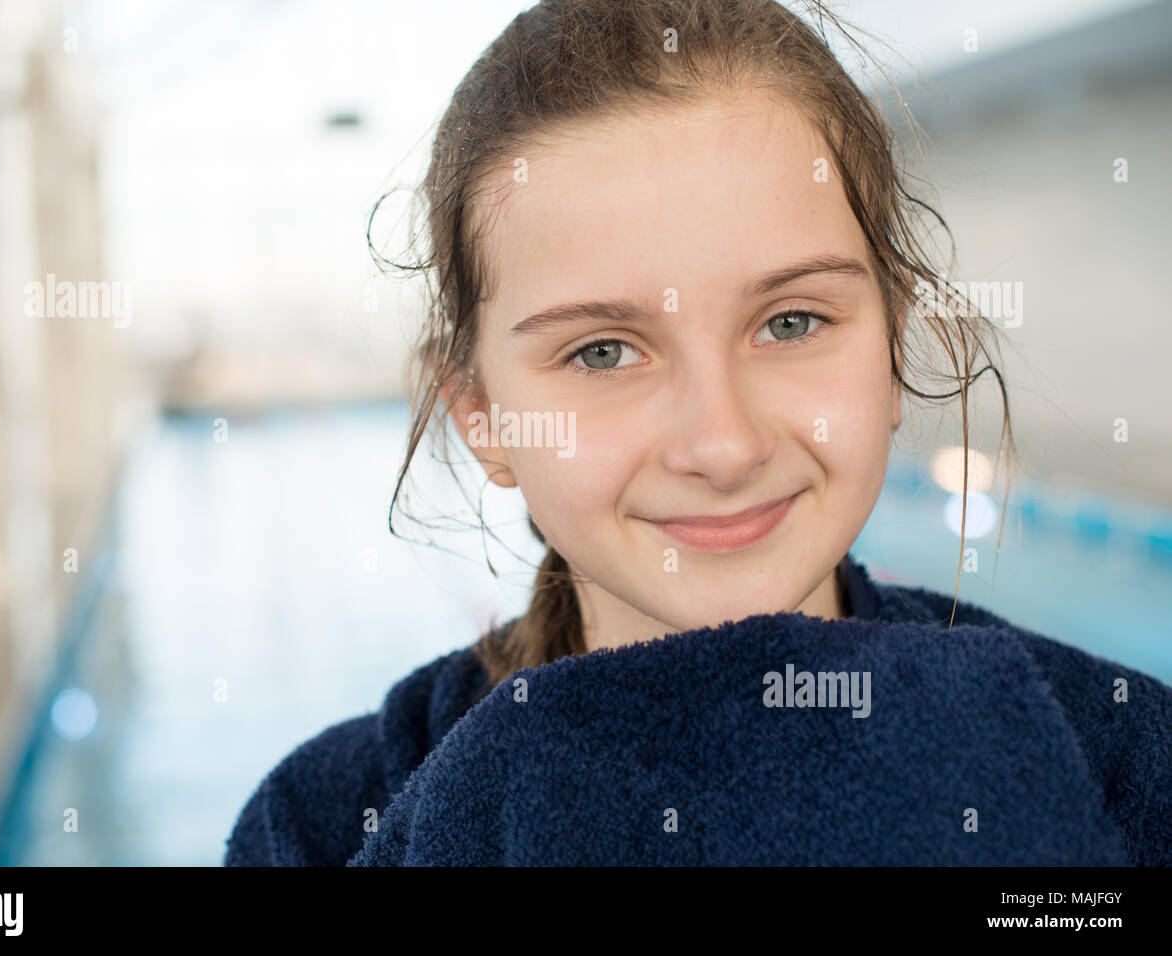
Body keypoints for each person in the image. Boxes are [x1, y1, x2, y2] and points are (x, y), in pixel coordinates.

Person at [225, 0, 1172, 866]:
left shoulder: (1121, 764)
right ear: (483, 419)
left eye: (791, 323)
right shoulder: (317, 825)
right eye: (603, 352)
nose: (723, 446)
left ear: (892, 350)